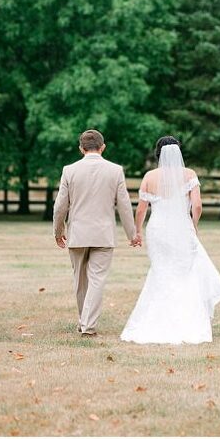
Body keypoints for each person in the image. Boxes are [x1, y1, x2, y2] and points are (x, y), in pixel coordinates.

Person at [120, 136, 220, 345]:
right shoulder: (189, 174)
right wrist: (194, 224)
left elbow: (142, 208)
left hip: (158, 230)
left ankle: (154, 322)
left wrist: (137, 231)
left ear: (157, 154)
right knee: (185, 275)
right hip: (181, 229)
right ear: (178, 153)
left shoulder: (149, 177)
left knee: (160, 273)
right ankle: (187, 322)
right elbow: (197, 205)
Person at [52, 129, 139, 337]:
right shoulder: (115, 170)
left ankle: (85, 323)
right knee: (97, 280)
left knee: (80, 282)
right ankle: (87, 325)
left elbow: (60, 205)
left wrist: (58, 231)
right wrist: (132, 234)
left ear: (81, 149)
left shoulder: (69, 170)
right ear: (103, 147)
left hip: (78, 234)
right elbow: (125, 206)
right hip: (103, 234)